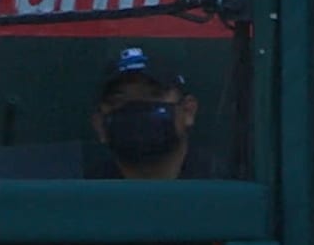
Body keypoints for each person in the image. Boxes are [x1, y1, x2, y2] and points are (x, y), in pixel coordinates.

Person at [88, 47, 221, 180]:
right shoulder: (81, 191)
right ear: (99, 124)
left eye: (153, 95)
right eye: (119, 100)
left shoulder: (228, 184)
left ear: (188, 111)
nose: (137, 109)